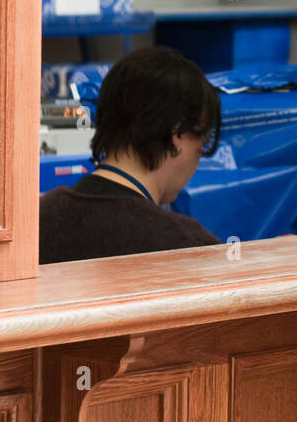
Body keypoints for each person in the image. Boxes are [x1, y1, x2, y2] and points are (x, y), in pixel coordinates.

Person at [40, 46, 223, 263]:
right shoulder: (189, 248)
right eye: (203, 143)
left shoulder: (37, 221)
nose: (198, 159)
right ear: (177, 134)